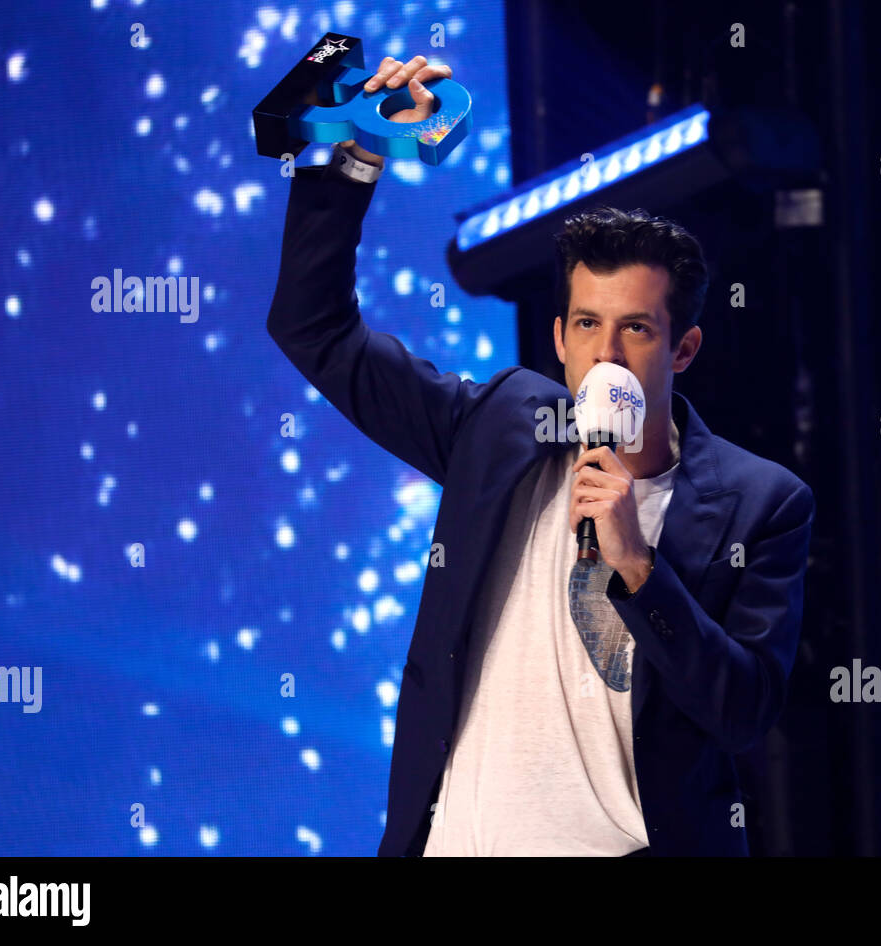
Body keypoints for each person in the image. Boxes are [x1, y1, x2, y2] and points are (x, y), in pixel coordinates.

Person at [267, 54, 814, 856]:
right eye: (587, 325)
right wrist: (359, 154)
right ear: (558, 341)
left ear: (684, 347)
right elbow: (312, 328)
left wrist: (636, 566)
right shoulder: (496, 427)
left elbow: (743, 709)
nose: (608, 355)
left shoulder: (762, 502)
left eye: (637, 328)